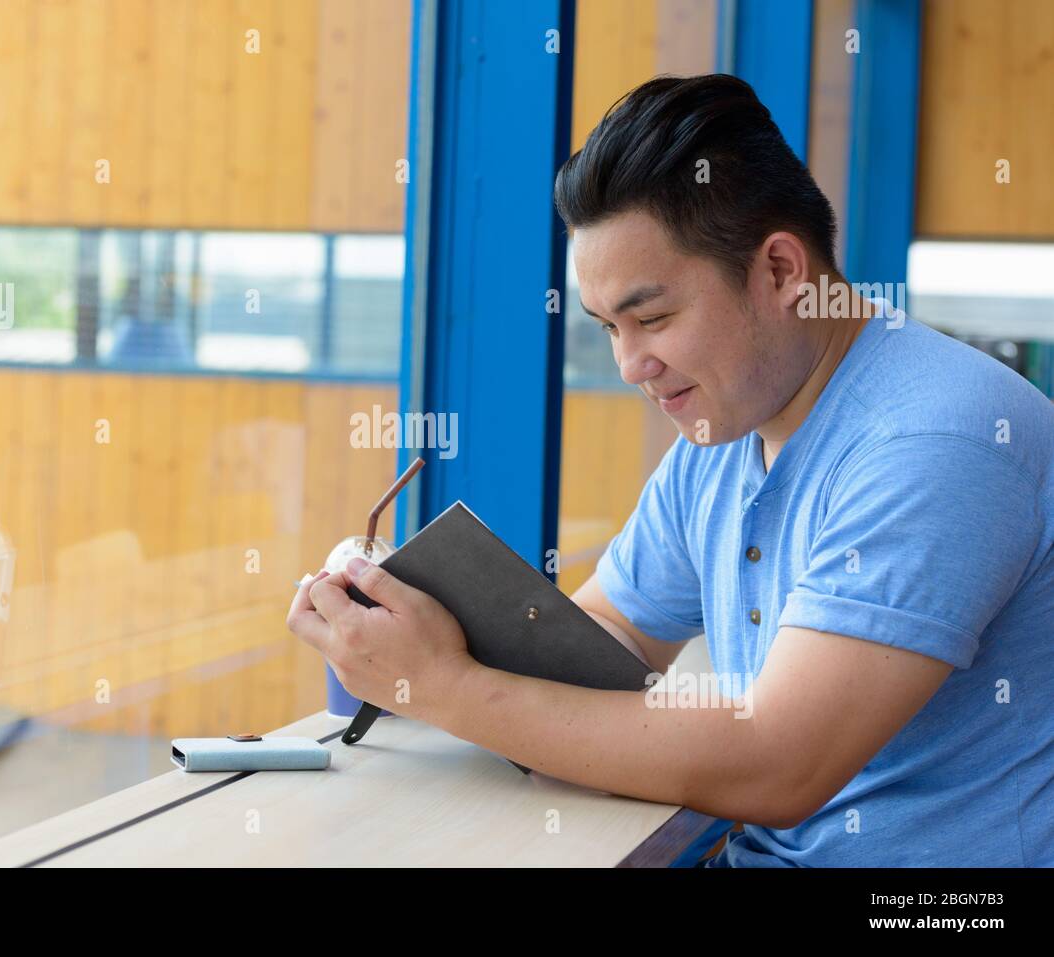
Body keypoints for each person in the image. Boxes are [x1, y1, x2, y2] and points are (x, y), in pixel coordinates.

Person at [287, 74, 1054, 867]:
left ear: (784, 271)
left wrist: (444, 685)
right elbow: (606, 645)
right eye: (609, 328)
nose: (629, 364)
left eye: (652, 318)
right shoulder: (722, 439)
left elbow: (778, 762)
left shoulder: (937, 438)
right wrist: (415, 621)